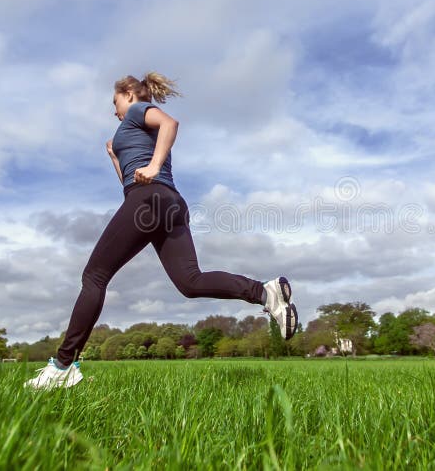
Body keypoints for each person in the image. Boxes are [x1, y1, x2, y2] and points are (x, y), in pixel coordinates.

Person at [24, 72, 297, 390]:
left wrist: (153, 167)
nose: (114, 111)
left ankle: (62, 366)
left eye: (115, 103)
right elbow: (128, 185)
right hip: (166, 204)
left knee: (94, 278)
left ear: (127, 93)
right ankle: (266, 292)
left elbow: (170, 124)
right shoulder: (127, 133)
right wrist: (116, 158)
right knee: (190, 282)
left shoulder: (137, 111)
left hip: (150, 200)